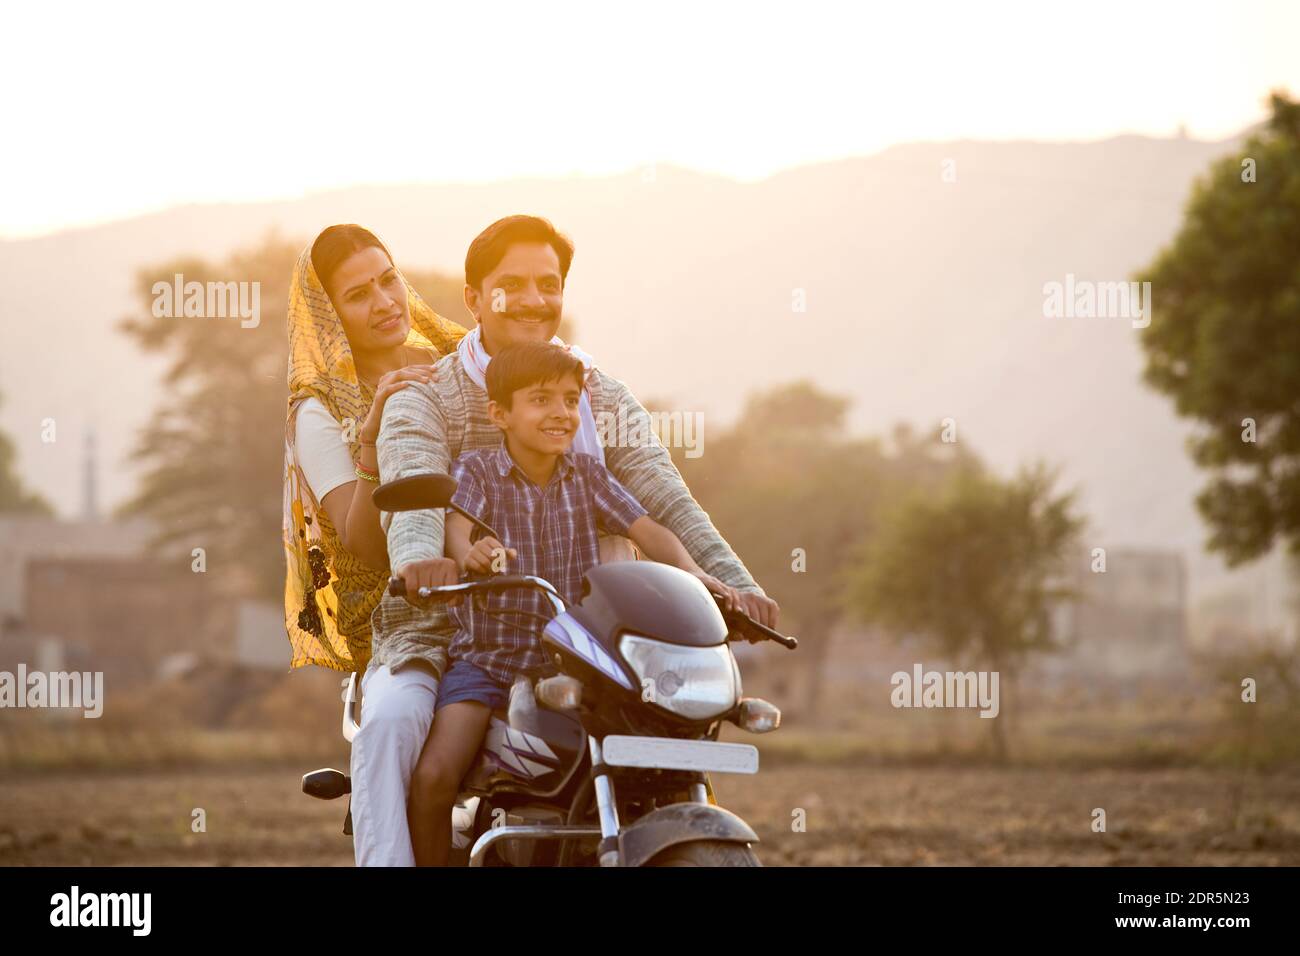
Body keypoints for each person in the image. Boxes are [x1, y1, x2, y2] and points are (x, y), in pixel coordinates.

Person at [351, 214, 779, 866]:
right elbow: (419, 494)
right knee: (395, 734)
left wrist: (729, 586)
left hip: (591, 631)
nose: (532, 298)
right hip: (447, 624)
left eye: (547, 284)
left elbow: (663, 504)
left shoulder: (597, 395)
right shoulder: (427, 394)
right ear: (474, 298)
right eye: (511, 283)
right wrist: (421, 560)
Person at [407, 342, 744, 865]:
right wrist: (468, 550)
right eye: (540, 400)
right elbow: (455, 521)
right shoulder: (478, 469)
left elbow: (647, 528)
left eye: (569, 400)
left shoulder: (588, 475)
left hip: (575, 665)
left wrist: (696, 573)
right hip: (490, 659)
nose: (560, 413)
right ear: (500, 414)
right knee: (434, 775)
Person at [282, 223, 465, 675]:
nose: (384, 303)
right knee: (400, 722)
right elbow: (362, 544)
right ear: (330, 317)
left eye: (388, 280)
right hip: (394, 610)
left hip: (490, 582)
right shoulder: (319, 409)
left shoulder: (456, 360)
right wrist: (370, 437)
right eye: (358, 295)